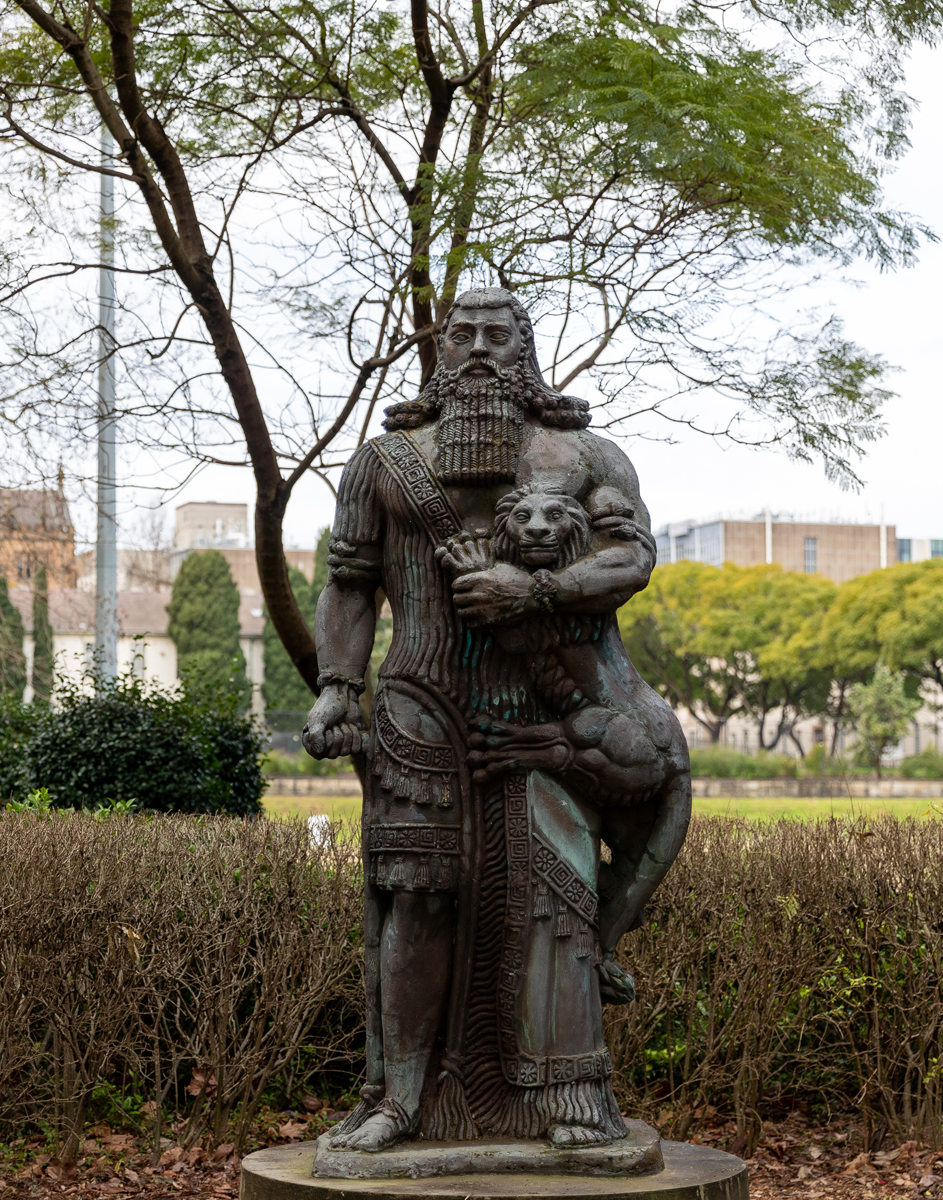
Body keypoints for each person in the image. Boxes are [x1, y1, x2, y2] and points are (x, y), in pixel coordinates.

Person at [303, 287, 690, 1152]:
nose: (479, 347)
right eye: (462, 333)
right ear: (439, 350)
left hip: (545, 704)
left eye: (498, 333)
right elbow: (350, 580)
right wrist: (338, 685)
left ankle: (570, 1096)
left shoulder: (586, 454)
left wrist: (538, 588)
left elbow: (632, 558)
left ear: (526, 348)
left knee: (559, 890)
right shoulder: (382, 462)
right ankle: (399, 1099)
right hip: (420, 704)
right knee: (417, 899)